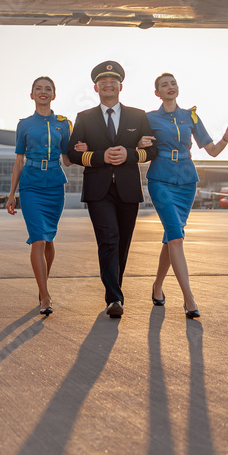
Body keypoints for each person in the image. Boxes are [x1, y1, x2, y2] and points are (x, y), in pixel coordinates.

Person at [67, 61, 156, 318]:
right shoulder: (84, 117)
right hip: (98, 189)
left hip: (128, 188)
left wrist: (129, 153)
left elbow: (152, 150)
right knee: (109, 239)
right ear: (96, 87)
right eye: (103, 81)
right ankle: (114, 298)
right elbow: (72, 153)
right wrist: (99, 157)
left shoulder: (139, 116)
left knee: (123, 244)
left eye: (113, 80)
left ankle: (115, 290)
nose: (108, 84)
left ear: (121, 85)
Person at [146, 72, 228, 318]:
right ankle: (189, 299)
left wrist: (226, 138)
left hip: (187, 181)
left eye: (173, 83)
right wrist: (140, 144)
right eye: (164, 85)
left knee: (172, 236)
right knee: (176, 237)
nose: (170, 87)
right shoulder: (149, 118)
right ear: (157, 93)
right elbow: (138, 145)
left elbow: (213, 151)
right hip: (160, 180)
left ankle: (157, 287)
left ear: (178, 88)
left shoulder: (191, 117)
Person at [6, 76, 72, 316]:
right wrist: (11, 194)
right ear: (31, 94)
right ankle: (45, 295)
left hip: (55, 184)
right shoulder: (24, 125)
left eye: (48, 89)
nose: (43, 92)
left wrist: (82, 152)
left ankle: (43, 283)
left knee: (49, 239)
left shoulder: (64, 124)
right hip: (31, 186)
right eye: (38, 89)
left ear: (54, 94)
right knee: (38, 238)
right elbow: (18, 161)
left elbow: (67, 159)